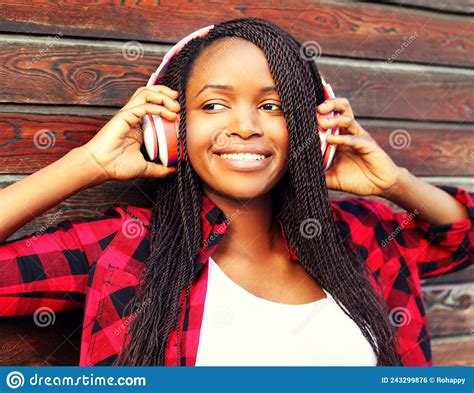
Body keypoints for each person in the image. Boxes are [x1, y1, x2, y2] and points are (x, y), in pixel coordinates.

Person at [0, 17, 472, 367]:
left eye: (272, 105)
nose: (245, 127)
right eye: (213, 104)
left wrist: (395, 183)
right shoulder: (124, 247)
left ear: (314, 130)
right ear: (170, 129)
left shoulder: (364, 236)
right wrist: (88, 163)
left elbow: (461, 236)